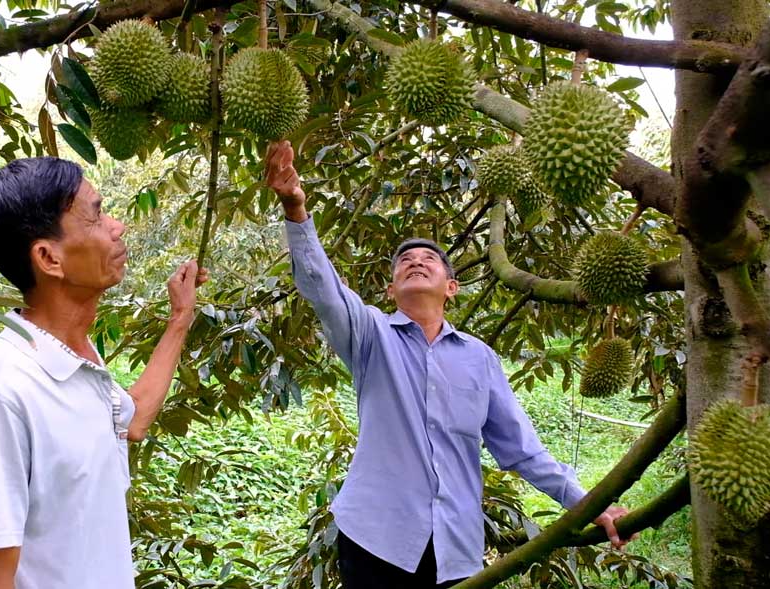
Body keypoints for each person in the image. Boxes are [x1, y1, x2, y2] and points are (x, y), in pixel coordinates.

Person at [264, 140, 634, 588]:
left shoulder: (480, 358)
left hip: (454, 548)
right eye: (405, 262)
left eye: (429, 261)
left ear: (452, 287)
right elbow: (323, 289)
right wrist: (296, 210)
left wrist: (587, 503)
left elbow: (522, 449)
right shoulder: (370, 337)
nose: (416, 263)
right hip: (374, 539)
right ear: (390, 290)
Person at [0, 157, 208, 589]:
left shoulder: (76, 355)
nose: (117, 226)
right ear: (49, 258)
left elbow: (135, 418)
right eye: (95, 213)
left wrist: (180, 318)